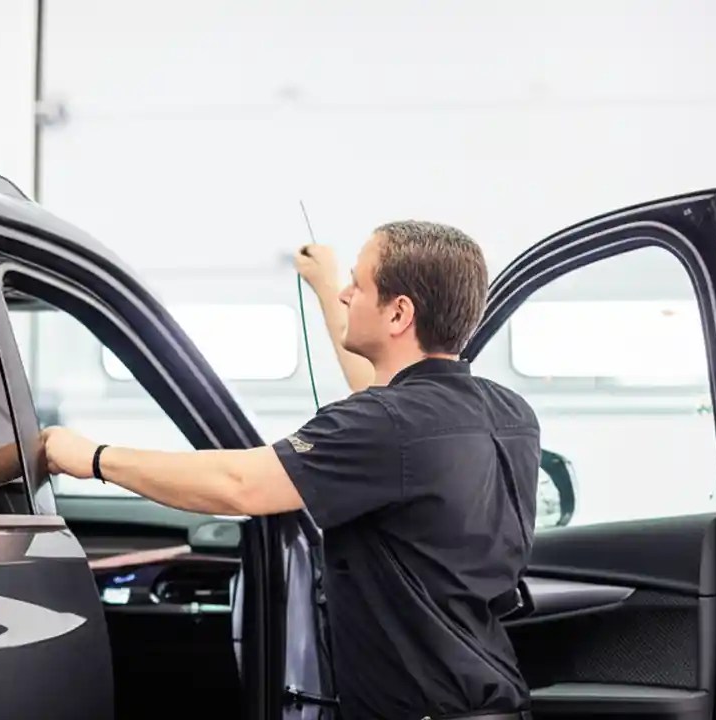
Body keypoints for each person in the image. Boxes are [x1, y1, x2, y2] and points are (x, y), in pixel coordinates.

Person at [43, 220, 541, 720]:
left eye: (358, 284)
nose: (347, 294)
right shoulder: (509, 413)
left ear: (399, 312)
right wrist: (324, 287)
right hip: (495, 700)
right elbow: (385, 401)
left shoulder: (384, 426)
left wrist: (90, 458)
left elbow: (239, 485)